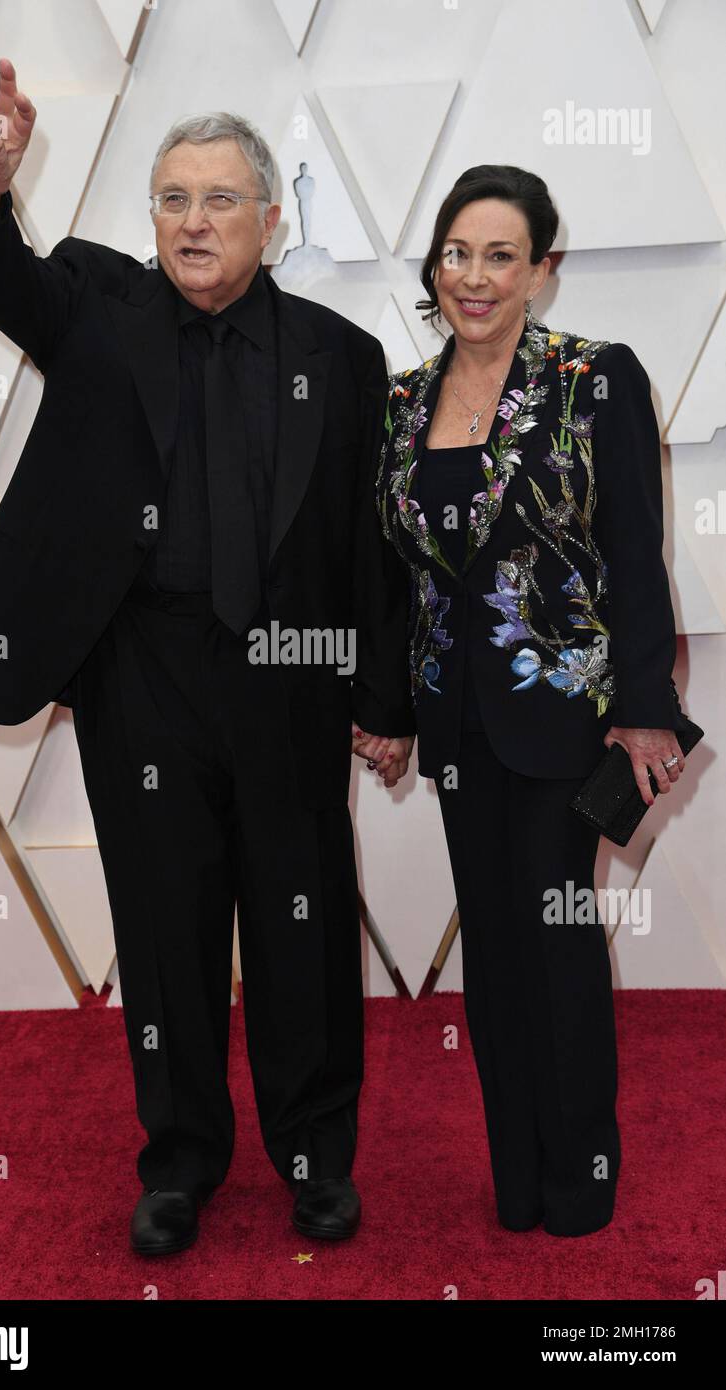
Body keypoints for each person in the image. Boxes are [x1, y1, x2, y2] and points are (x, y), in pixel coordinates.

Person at [0, 58, 414, 1254]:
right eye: (173, 199)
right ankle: (180, 1159)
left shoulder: (343, 356)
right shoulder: (96, 304)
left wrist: (383, 695)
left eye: (220, 199)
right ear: (151, 220)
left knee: (301, 928)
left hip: (290, 674)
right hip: (141, 673)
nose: (194, 222)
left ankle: (313, 1160)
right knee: (163, 924)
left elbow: (369, 542)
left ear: (270, 218)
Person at [368, 164, 686, 1236]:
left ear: (543, 270)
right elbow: (395, 569)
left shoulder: (597, 378)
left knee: (554, 936)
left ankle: (581, 1176)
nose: (474, 275)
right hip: (456, 720)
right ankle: (518, 1176)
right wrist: (391, 709)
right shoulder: (405, 400)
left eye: (501, 255)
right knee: (494, 952)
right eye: (458, 252)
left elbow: (636, 556)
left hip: (565, 715)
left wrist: (644, 706)